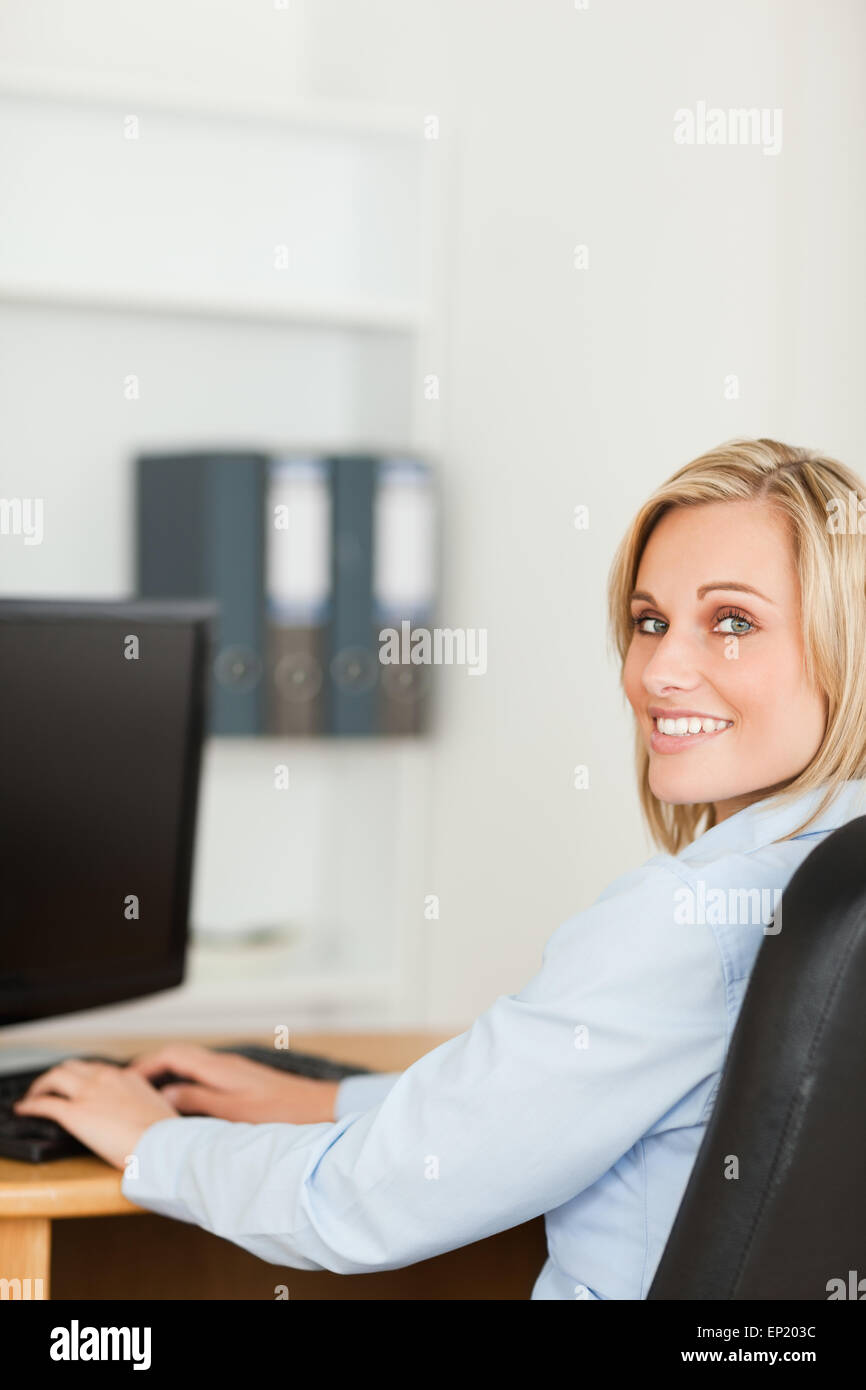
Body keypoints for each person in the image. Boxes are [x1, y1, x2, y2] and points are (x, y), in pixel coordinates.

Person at [15, 436, 866, 1299]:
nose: (659, 671)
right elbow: (558, 1097)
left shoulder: (684, 923)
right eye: (650, 622)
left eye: (733, 623)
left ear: (844, 648)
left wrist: (151, 1142)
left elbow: (360, 1204)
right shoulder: (835, 884)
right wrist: (332, 1103)